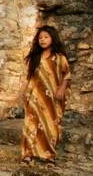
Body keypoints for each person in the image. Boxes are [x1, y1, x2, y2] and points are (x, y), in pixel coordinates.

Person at [20, 24, 71, 163]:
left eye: (46, 37)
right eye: (40, 38)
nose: (42, 40)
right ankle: (28, 154)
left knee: (49, 124)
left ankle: (48, 155)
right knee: (31, 123)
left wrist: (61, 89)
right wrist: (24, 92)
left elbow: (67, 75)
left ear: (53, 38)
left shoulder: (59, 58)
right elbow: (28, 77)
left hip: (52, 98)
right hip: (34, 96)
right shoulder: (34, 58)